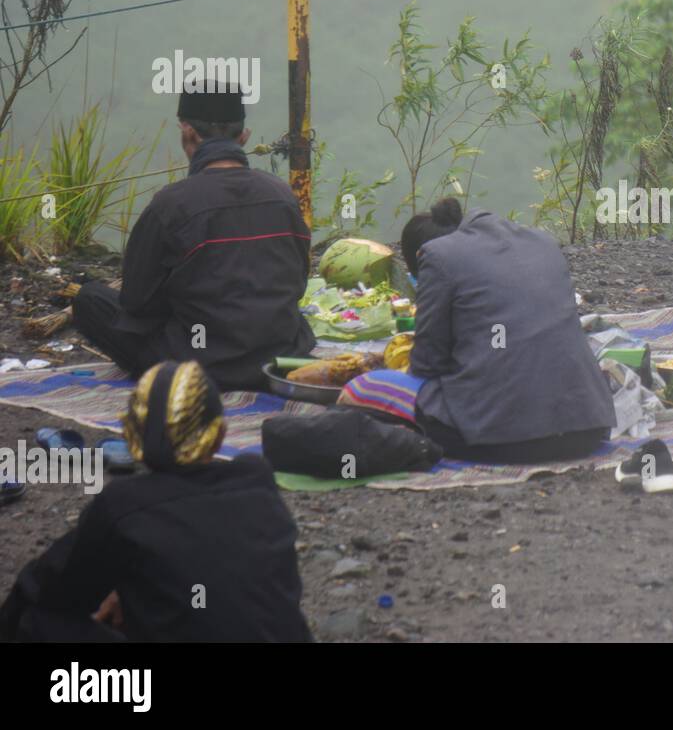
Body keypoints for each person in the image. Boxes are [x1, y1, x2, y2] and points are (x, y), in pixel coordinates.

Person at [0, 361, 313, 642]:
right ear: (219, 435)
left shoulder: (125, 505)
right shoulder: (257, 481)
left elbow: (50, 588)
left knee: (38, 621)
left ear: (131, 436)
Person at [72, 79, 315, 388]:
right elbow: (298, 282)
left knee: (90, 300)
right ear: (243, 136)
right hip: (280, 357)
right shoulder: (282, 195)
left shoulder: (171, 204)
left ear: (187, 133)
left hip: (199, 366)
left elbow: (136, 303)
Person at [342, 198, 614, 464]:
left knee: (361, 388)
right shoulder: (544, 243)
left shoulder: (438, 256)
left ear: (418, 258)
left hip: (503, 438)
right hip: (587, 428)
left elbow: (426, 364)